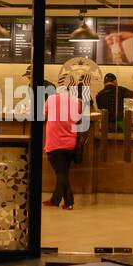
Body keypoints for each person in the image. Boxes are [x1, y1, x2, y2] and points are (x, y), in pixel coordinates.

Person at [43, 77, 83, 211]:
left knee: (61, 174)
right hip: (70, 143)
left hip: (55, 143)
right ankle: (55, 200)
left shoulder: (51, 99)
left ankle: (69, 202)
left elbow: (44, 114)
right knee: (63, 172)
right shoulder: (77, 102)